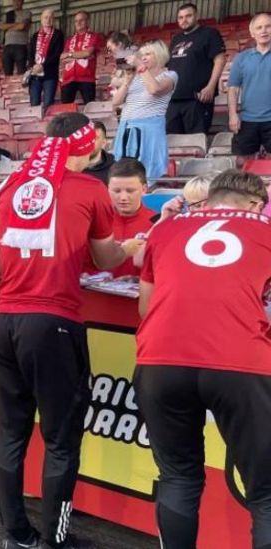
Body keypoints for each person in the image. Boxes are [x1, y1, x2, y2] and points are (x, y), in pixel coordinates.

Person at [0, 113, 130, 549]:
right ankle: (55, 541)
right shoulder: (89, 188)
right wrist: (132, 247)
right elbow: (104, 259)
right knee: (61, 439)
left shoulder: (7, 188)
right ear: (87, 147)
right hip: (55, 323)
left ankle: (16, 534)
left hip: (6, 320)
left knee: (11, 431)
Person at [135, 170, 271, 549]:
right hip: (239, 361)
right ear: (257, 205)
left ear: (212, 199)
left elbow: (146, 306)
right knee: (266, 494)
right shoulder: (266, 230)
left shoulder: (165, 230)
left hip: (161, 359)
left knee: (178, 477)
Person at [112, 40, 178, 180]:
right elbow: (115, 102)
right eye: (142, 54)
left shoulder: (170, 75)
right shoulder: (137, 76)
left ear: (159, 55)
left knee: (146, 171)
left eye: (148, 54)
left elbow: (155, 89)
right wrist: (127, 81)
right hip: (126, 127)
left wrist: (140, 67)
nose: (144, 57)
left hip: (149, 129)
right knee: (124, 171)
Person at [166, 3, 226, 134]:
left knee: (196, 142)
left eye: (188, 16)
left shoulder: (209, 34)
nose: (184, 20)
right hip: (173, 99)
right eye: (180, 17)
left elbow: (220, 60)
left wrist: (211, 86)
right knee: (171, 143)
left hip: (198, 98)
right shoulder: (176, 38)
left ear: (197, 16)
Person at [98, 159, 154, 278]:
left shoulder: (157, 223)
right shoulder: (95, 221)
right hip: (98, 294)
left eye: (130, 191)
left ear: (144, 189)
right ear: (107, 189)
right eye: (116, 191)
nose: (123, 197)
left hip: (140, 294)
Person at [228, 13, 271, 160]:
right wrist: (233, 114)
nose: (264, 31)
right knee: (244, 165)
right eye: (259, 28)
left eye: (268, 26)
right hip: (247, 120)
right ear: (253, 33)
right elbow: (233, 88)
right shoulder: (242, 58)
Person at [60, 11, 102, 105]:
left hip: (86, 78)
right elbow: (63, 59)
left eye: (81, 20)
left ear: (87, 21)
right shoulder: (69, 40)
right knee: (65, 111)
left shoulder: (94, 36)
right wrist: (81, 55)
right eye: (76, 21)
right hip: (68, 79)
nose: (78, 23)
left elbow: (87, 52)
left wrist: (70, 55)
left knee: (90, 109)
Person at [26, 9, 65, 108]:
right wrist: (33, 66)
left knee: (48, 104)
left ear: (54, 20)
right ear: (41, 20)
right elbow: (30, 54)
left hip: (50, 75)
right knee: (34, 104)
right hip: (35, 75)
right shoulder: (35, 36)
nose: (48, 20)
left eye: (51, 17)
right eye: (46, 17)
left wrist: (42, 65)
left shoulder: (58, 34)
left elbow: (57, 54)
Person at [0, 0, 32, 75]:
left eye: (18, 1)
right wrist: (16, 24)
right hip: (7, 46)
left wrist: (8, 27)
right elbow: (1, 26)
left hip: (20, 45)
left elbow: (22, 26)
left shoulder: (26, 13)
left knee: (21, 71)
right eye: (14, 1)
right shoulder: (8, 14)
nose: (16, 3)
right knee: (7, 73)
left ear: (22, 2)